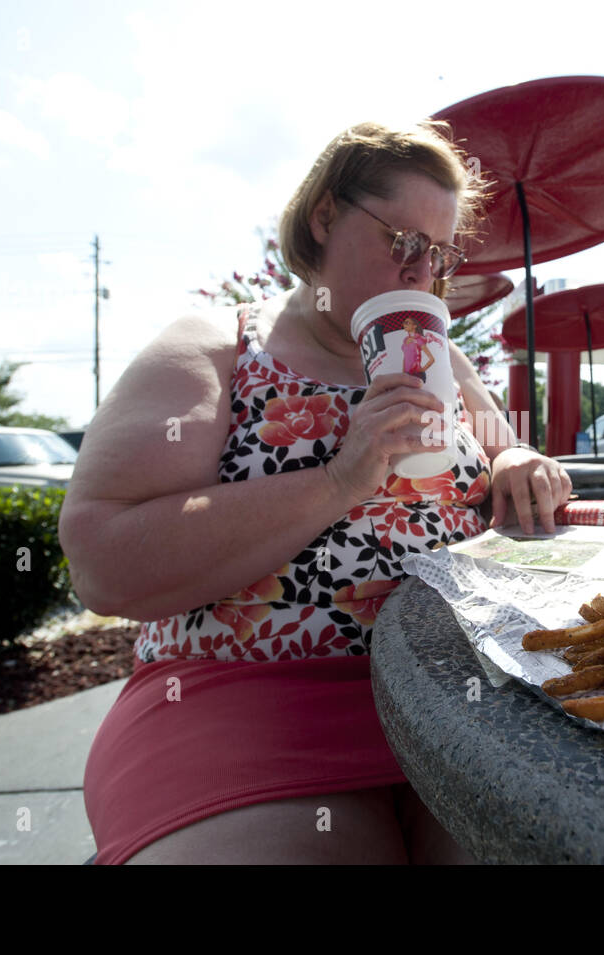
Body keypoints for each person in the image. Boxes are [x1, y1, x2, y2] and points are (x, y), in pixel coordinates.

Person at [60, 120, 573, 864]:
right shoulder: (219, 346)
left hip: (451, 691)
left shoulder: (446, 359)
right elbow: (103, 560)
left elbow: (505, 449)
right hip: (241, 698)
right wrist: (339, 479)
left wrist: (524, 461)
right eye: (404, 242)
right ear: (325, 216)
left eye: (441, 254)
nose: (421, 273)